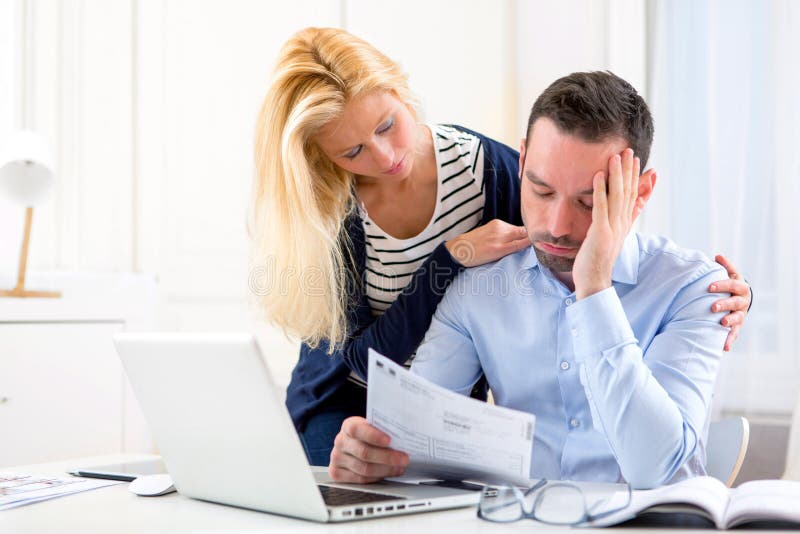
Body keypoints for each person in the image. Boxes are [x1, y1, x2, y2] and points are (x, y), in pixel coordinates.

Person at [251, 27, 752, 467]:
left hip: (441, 401)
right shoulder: (330, 208)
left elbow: (611, 228)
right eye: (353, 150)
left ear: (400, 92)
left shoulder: (485, 170)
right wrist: (451, 259)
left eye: (386, 126)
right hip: (343, 395)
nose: (384, 157)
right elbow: (366, 367)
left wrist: (715, 291)